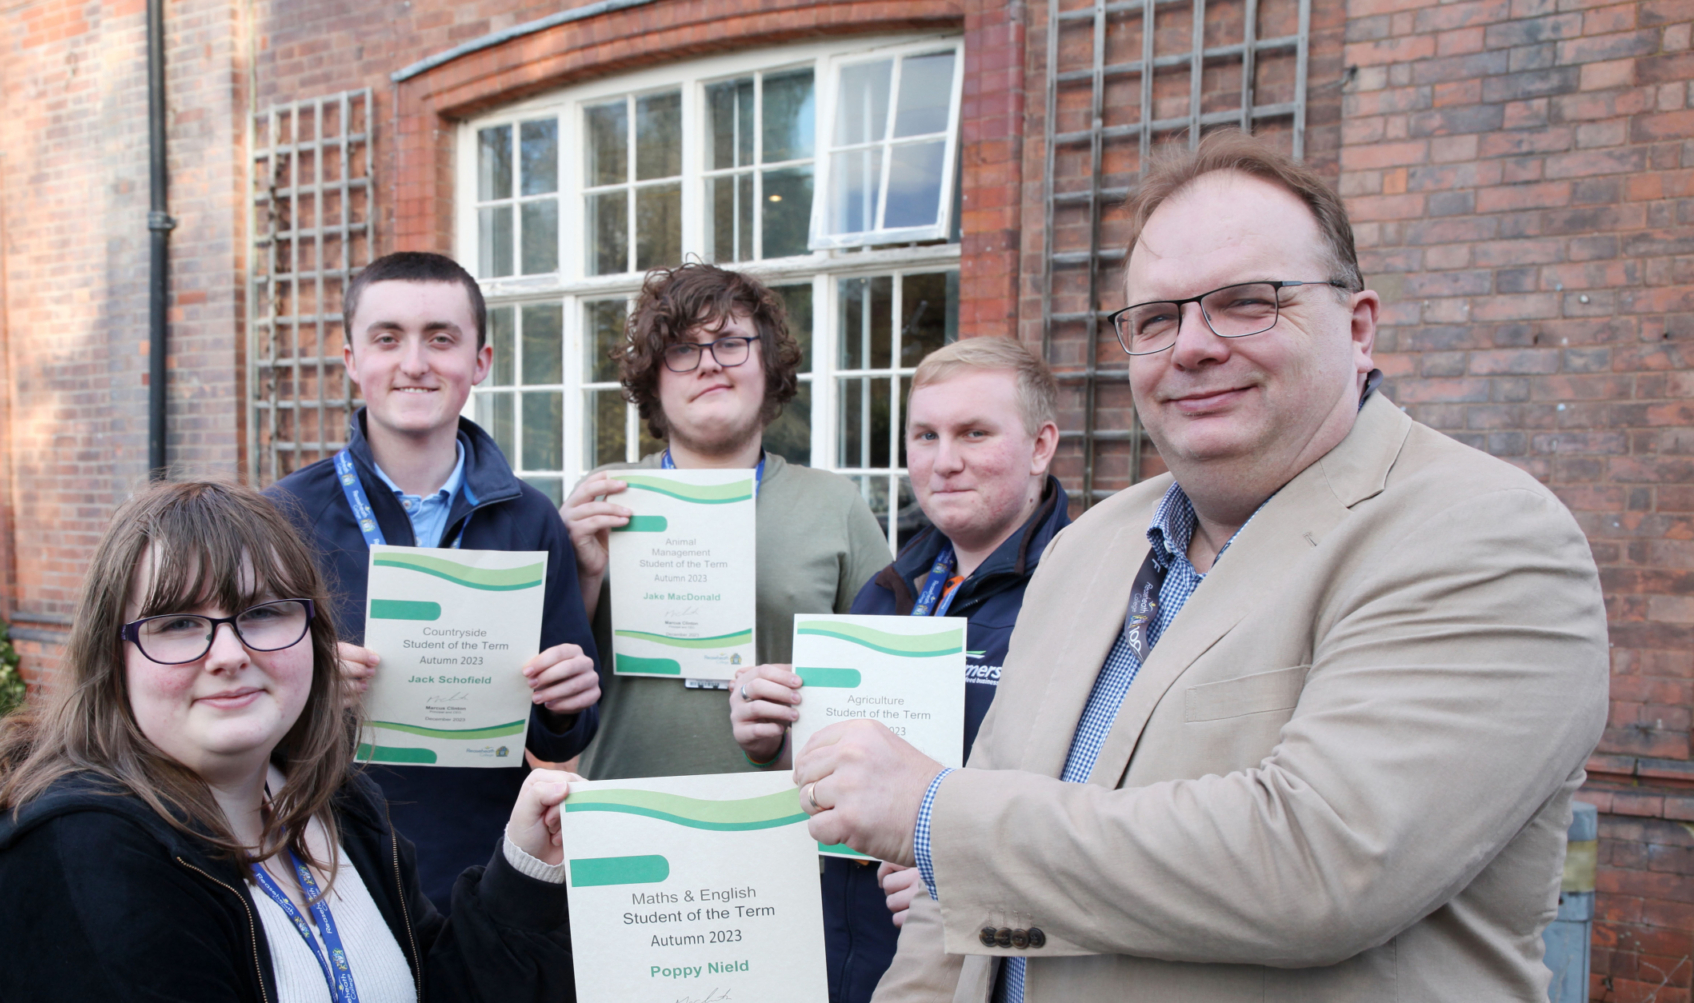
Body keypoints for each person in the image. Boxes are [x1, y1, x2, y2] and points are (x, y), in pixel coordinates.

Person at [794, 129, 1610, 1002]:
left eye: (1248, 301)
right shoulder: (1087, 548)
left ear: (1359, 326)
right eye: (1157, 317)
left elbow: (1320, 863)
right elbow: (957, 896)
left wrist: (929, 811)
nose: (1192, 345)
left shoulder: (1481, 533)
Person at [0, 480, 579, 1003]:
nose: (228, 654)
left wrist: (524, 866)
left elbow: (437, 988)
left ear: (314, 633)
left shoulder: (337, 802)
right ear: (116, 657)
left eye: (262, 613)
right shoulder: (82, 853)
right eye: (178, 623)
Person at [729, 337, 1070, 1003]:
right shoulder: (885, 591)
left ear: (1040, 446)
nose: (945, 461)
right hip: (841, 955)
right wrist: (771, 739)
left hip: (974, 972)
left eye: (974, 433)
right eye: (925, 435)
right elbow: (823, 784)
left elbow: (1097, 820)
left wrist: (963, 879)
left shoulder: (1082, 598)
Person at [268, 251, 600, 912]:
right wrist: (303, 681)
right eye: (387, 338)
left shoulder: (529, 516)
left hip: (485, 867)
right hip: (328, 861)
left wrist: (567, 700)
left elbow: (561, 734)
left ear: (480, 361)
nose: (415, 362)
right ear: (351, 360)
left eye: (441, 338)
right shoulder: (283, 516)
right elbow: (244, 700)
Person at [561, 263, 891, 779]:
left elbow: (883, 688)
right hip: (623, 813)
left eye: (731, 343)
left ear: (768, 364)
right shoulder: (606, 498)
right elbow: (549, 687)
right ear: (653, 377)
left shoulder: (834, 505)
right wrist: (581, 573)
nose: (709, 365)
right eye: (682, 350)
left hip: (790, 820)